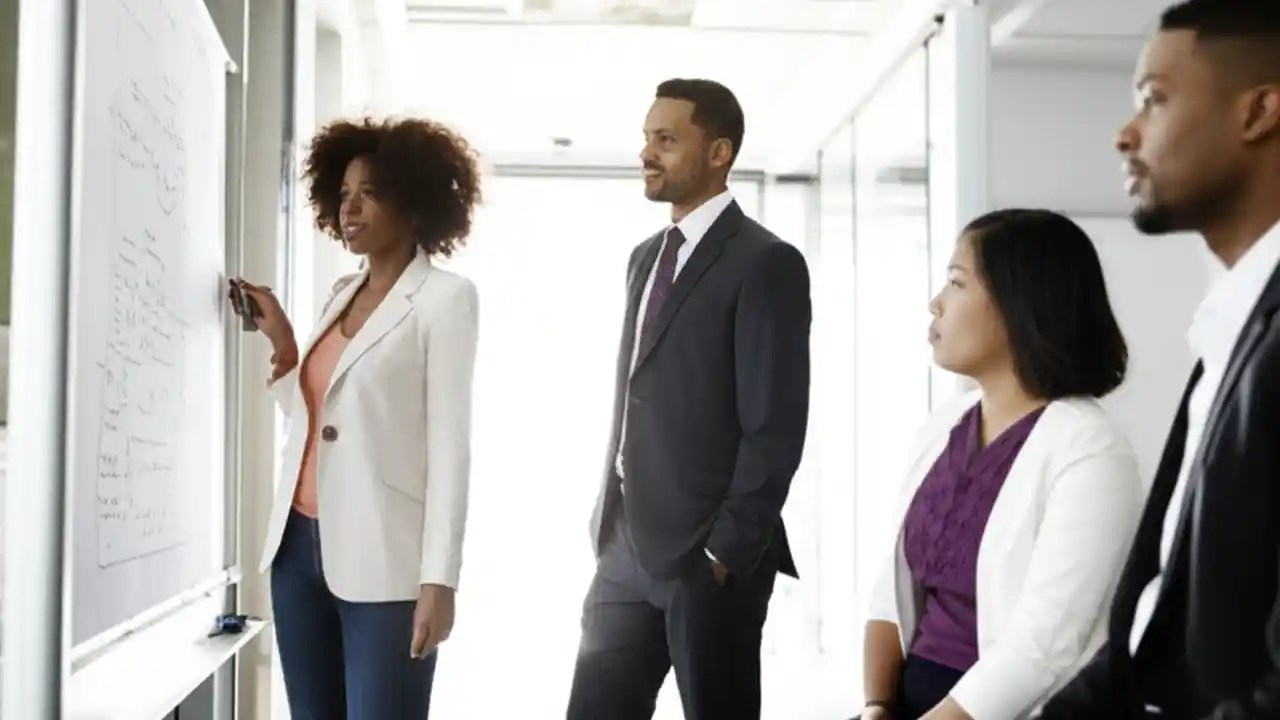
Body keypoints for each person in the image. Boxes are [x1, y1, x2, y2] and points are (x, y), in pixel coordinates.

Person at [1039, 1, 1280, 717]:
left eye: (1154, 99)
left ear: (1260, 111)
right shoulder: (1231, 330)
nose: (1124, 134)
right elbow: (1153, 631)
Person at [565, 78, 812, 720]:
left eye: (667, 139)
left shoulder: (766, 262)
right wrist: (608, 521)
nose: (648, 152)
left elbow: (775, 425)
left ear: (719, 151)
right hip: (624, 547)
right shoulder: (644, 259)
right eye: (647, 138)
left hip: (707, 558)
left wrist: (724, 551)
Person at [227, 117, 481, 719]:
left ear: (415, 201)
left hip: (386, 562)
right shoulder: (341, 290)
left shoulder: (446, 299)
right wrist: (286, 344)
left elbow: (451, 450)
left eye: (371, 192)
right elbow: (319, 420)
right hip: (297, 550)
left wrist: (439, 581)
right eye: (343, 194)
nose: (351, 207)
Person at [858, 210, 1145, 720]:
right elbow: (892, 589)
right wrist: (876, 705)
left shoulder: (1091, 451)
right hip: (908, 701)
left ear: (1019, 305)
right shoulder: (946, 423)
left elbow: (1043, 646)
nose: (935, 303)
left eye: (956, 282)